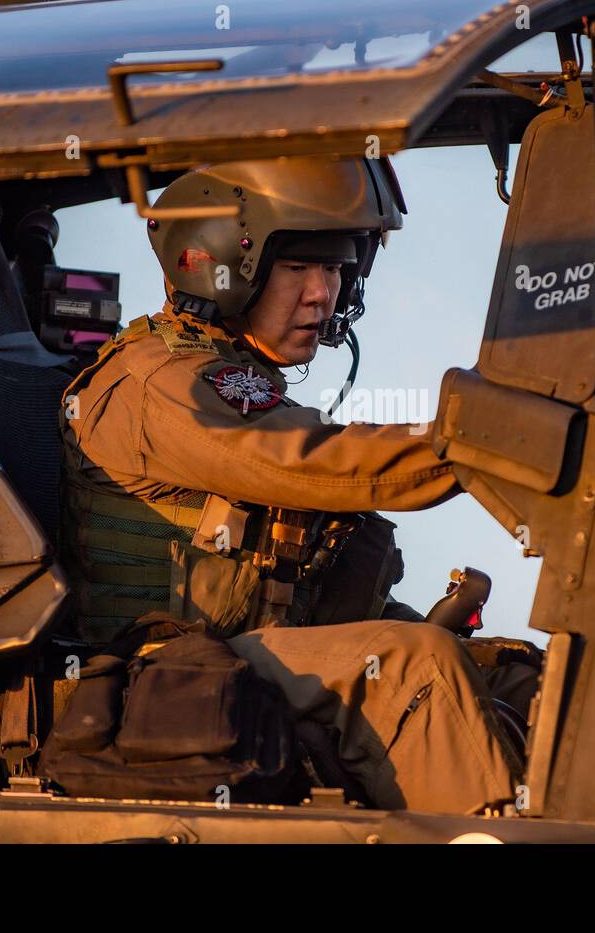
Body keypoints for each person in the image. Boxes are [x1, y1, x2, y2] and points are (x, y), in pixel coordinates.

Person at [58, 155, 537, 814]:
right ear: (220, 263)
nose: (323, 293)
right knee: (413, 667)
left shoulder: (240, 381)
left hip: (241, 658)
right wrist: (501, 441)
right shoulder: (160, 382)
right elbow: (316, 461)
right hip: (166, 675)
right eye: (298, 267)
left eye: (337, 268)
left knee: (515, 674)